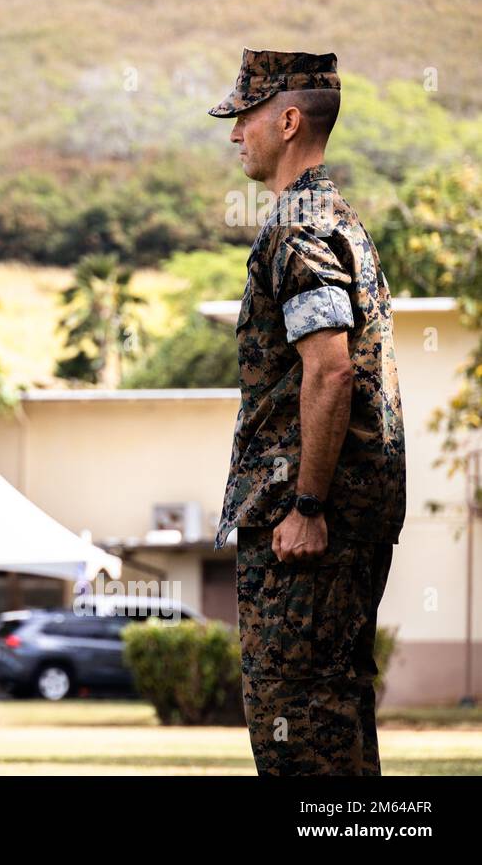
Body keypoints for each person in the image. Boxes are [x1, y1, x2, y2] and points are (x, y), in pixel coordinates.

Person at [209, 51, 406, 775]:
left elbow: (329, 369)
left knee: (300, 733)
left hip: (307, 528)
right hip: (347, 522)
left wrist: (308, 505)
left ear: (289, 122)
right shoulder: (339, 218)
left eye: (244, 118)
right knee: (338, 724)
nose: (234, 135)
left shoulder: (297, 228)